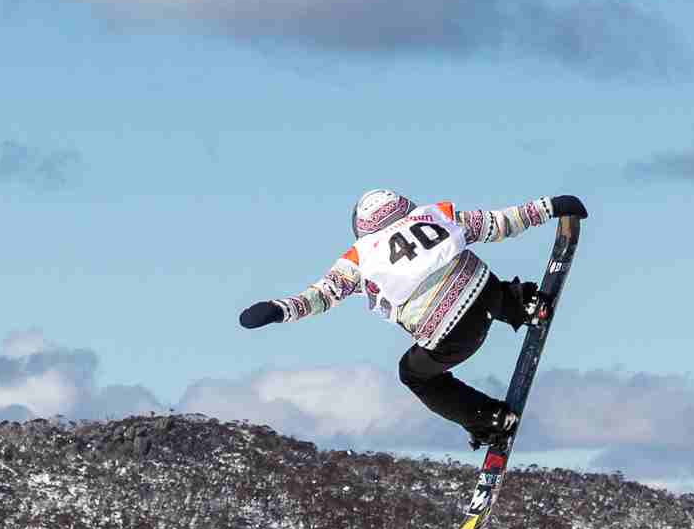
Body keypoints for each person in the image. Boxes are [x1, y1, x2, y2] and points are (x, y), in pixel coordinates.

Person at [235, 188, 588, 449]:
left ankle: (489, 419)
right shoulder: (436, 215)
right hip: (488, 296)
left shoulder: (359, 258)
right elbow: (499, 223)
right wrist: (551, 207)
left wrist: (278, 310)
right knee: (469, 273)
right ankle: (525, 305)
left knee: (413, 374)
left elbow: (321, 296)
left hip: (453, 335)